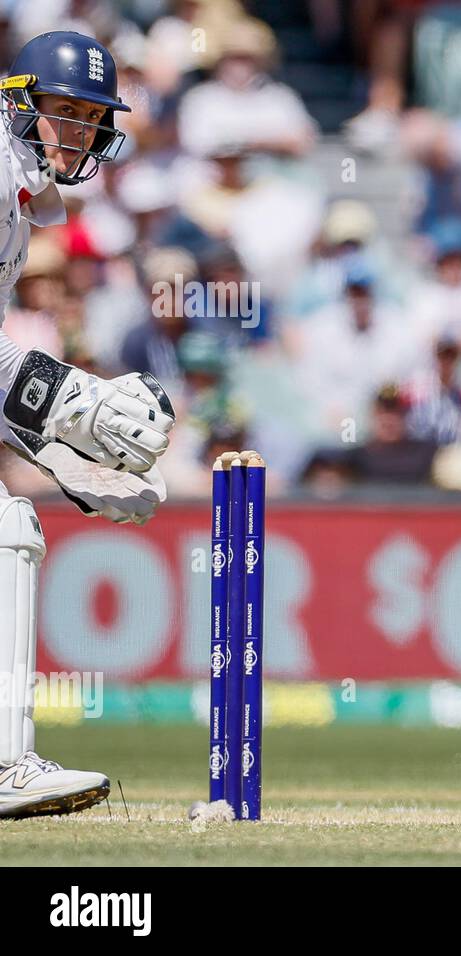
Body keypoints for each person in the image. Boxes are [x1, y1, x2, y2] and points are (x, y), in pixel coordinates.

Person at [0, 33, 174, 818]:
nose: (74, 131)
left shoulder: (21, 198)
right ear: (19, 101)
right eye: (60, 111)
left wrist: (59, 452)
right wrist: (78, 406)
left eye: (88, 117)